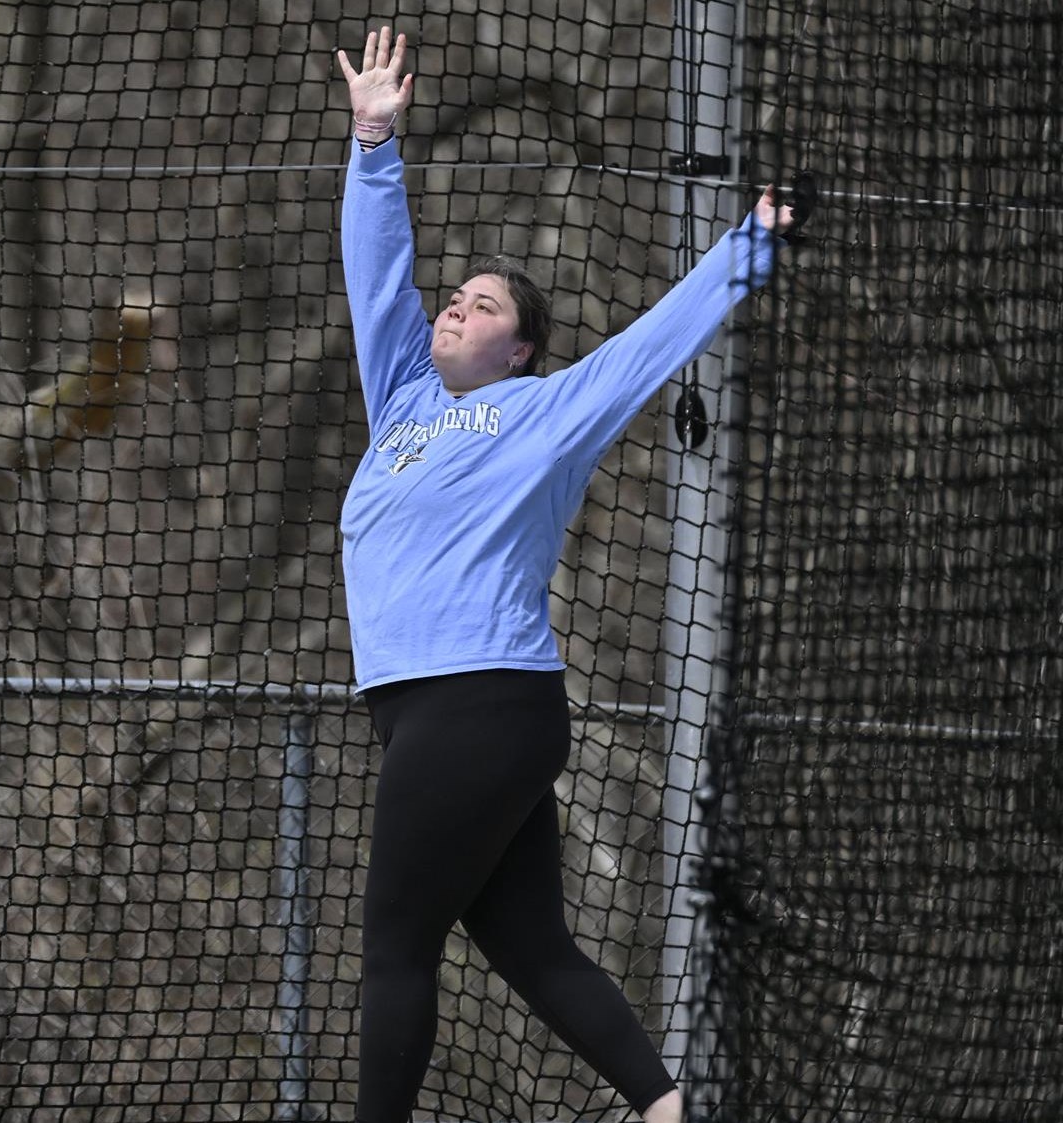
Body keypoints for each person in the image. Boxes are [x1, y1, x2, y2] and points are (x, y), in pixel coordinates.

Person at [332, 25, 795, 1123]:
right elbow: (378, 272)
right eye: (455, 297)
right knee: (531, 945)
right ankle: (666, 1107)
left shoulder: (542, 412)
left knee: (393, 946)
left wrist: (751, 241)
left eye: (484, 305)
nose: (455, 306)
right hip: (452, 715)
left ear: (521, 348)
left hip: (474, 702)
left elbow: (647, 345)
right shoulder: (399, 400)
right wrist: (371, 140)